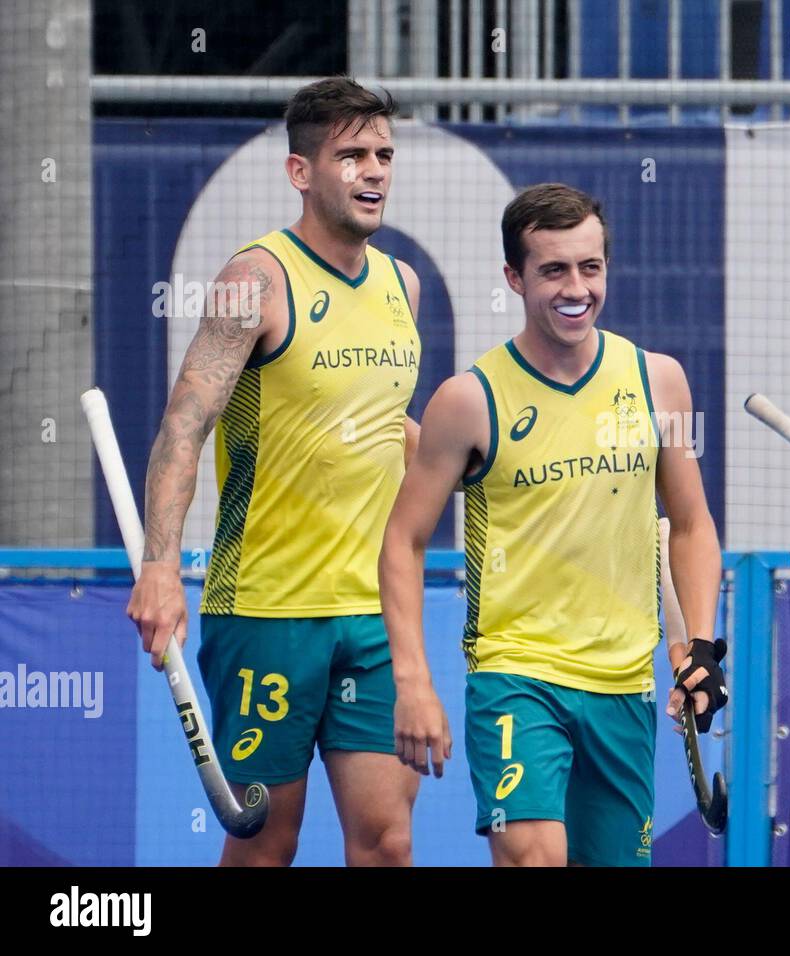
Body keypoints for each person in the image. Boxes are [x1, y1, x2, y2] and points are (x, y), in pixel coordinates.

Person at [126, 77, 429, 866]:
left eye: (384, 154)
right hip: (266, 608)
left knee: (388, 843)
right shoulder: (255, 281)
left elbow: (387, 423)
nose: (373, 171)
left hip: (372, 614)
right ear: (301, 172)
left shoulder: (404, 286)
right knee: (267, 846)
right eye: (352, 154)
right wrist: (160, 569)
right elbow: (183, 429)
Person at [378, 182, 727, 866]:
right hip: (515, 674)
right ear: (514, 277)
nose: (577, 288)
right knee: (534, 858)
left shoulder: (660, 382)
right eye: (554, 270)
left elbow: (690, 526)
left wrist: (702, 649)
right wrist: (413, 680)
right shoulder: (467, 401)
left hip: (624, 685)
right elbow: (403, 539)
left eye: (590, 268)